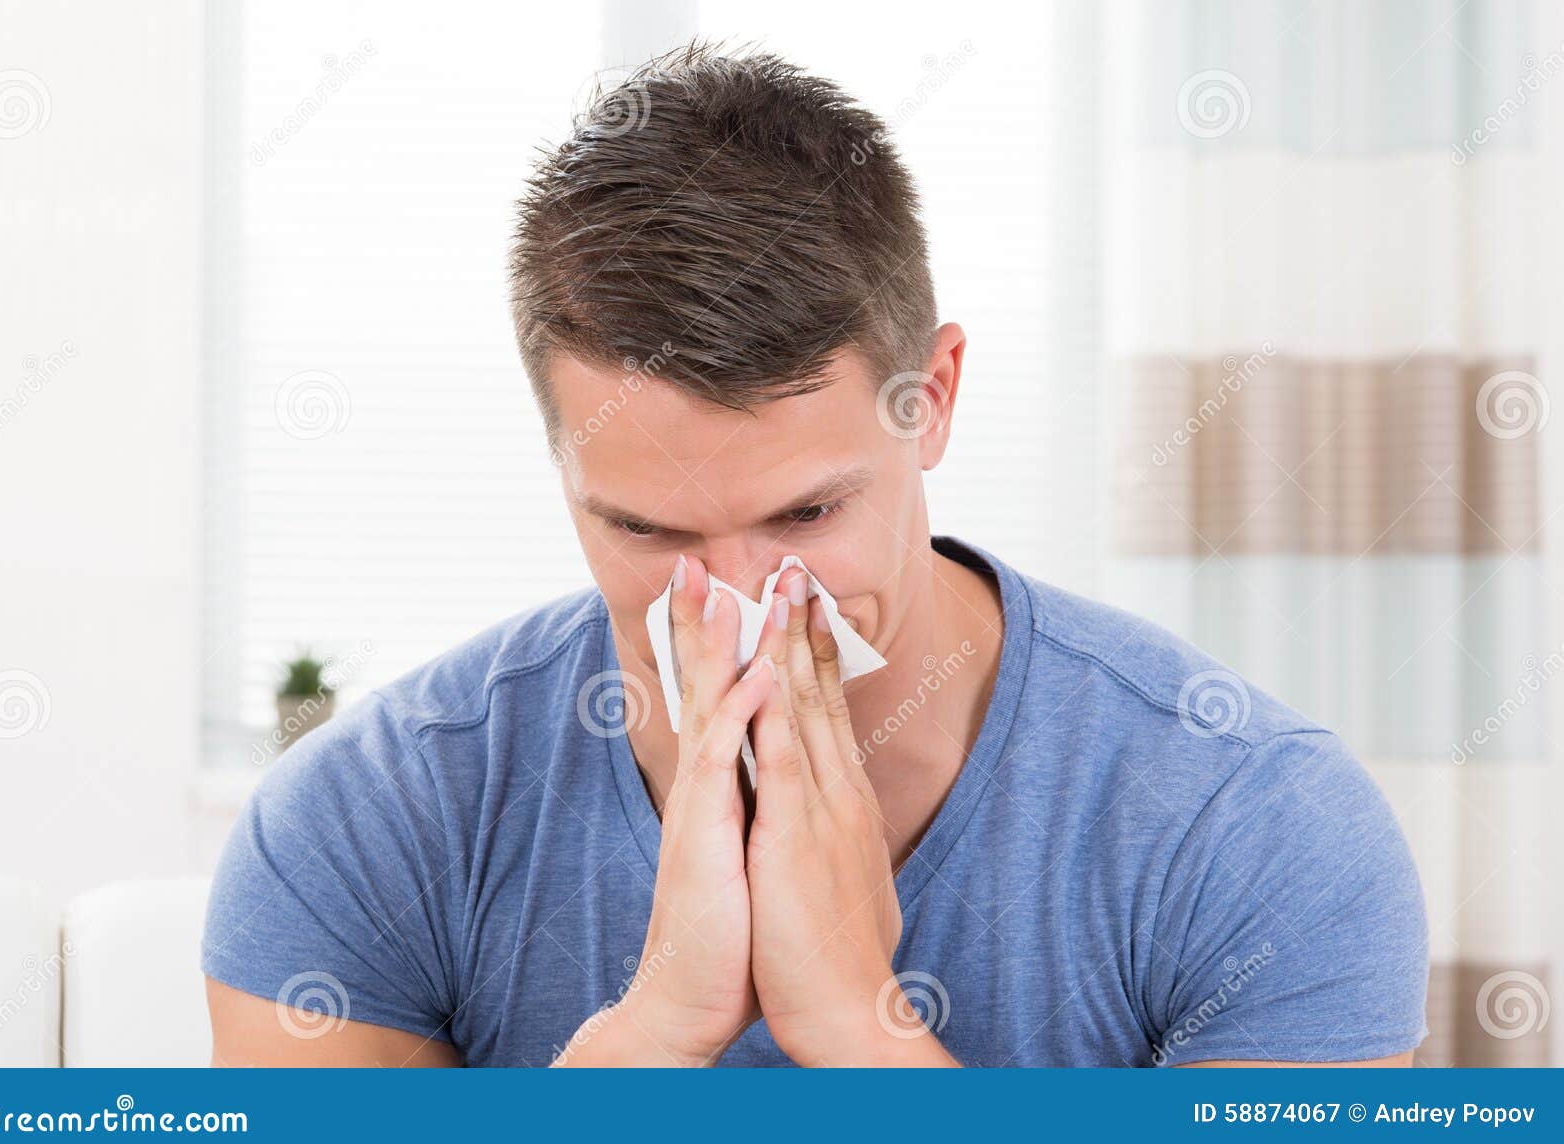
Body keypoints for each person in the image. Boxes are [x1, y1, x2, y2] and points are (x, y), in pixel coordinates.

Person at [203, 43, 1428, 1067]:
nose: (736, 600)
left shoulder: (1258, 830)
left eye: (804, 517)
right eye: (645, 529)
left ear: (933, 399)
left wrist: (860, 1027)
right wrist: (655, 1031)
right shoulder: (362, 824)